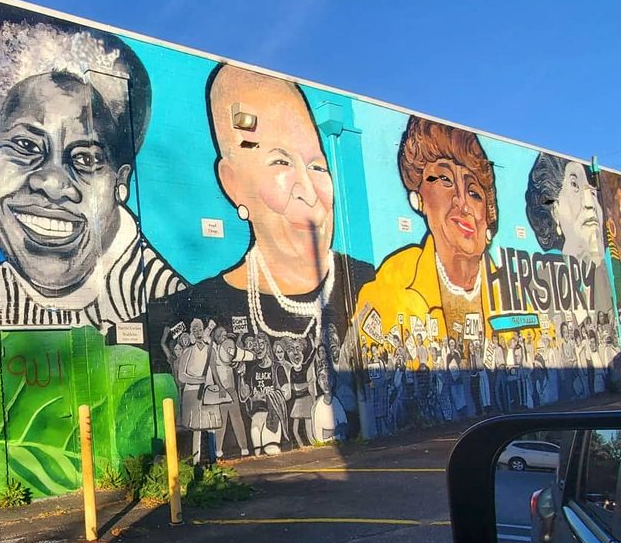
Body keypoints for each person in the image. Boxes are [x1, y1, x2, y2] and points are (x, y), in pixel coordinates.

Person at [0, 0, 184, 404]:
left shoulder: (175, 314)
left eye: (85, 158)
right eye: (26, 145)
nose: (52, 182)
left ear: (120, 185)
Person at [149, 66, 372, 454]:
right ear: (233, 184)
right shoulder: (177, 311)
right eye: (280, 163)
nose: (308, 190)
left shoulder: (374, 285)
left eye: (317, 166)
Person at [355, 117, 497, 354]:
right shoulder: (393, 285)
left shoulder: (512, 291)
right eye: (444, 180)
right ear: (418, 198)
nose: (462, 203)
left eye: (474, 192)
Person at [525, 152, 611, 314]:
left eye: (593, 192)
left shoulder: (608, 278)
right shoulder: (540, 287)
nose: (590, 204)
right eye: (574, 186)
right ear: (555, 211)